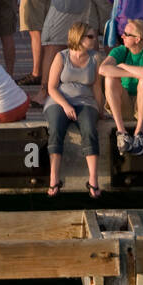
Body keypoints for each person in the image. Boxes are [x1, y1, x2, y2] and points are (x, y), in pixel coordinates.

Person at [44, 20, 103, 197]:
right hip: (60, 100)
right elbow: (51, 87)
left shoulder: (95, 58)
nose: (94, 39)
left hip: (85, 101)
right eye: (90, 36)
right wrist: (65, 105)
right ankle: (54, 177)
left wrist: (100, 110)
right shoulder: (61, 56)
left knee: (90, 129)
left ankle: (93, 179)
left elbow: (97, 87)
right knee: (55, 128)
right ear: (79, 37)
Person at [99, 17, 143, 156]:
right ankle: (121, 132)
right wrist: (134, 73)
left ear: (137, 39)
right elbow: (103, 69)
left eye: (127, 34)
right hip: (127, 105)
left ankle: (139, 132)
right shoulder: (121, 51)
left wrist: (123, 66)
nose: (122, 36)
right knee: (110, 79)